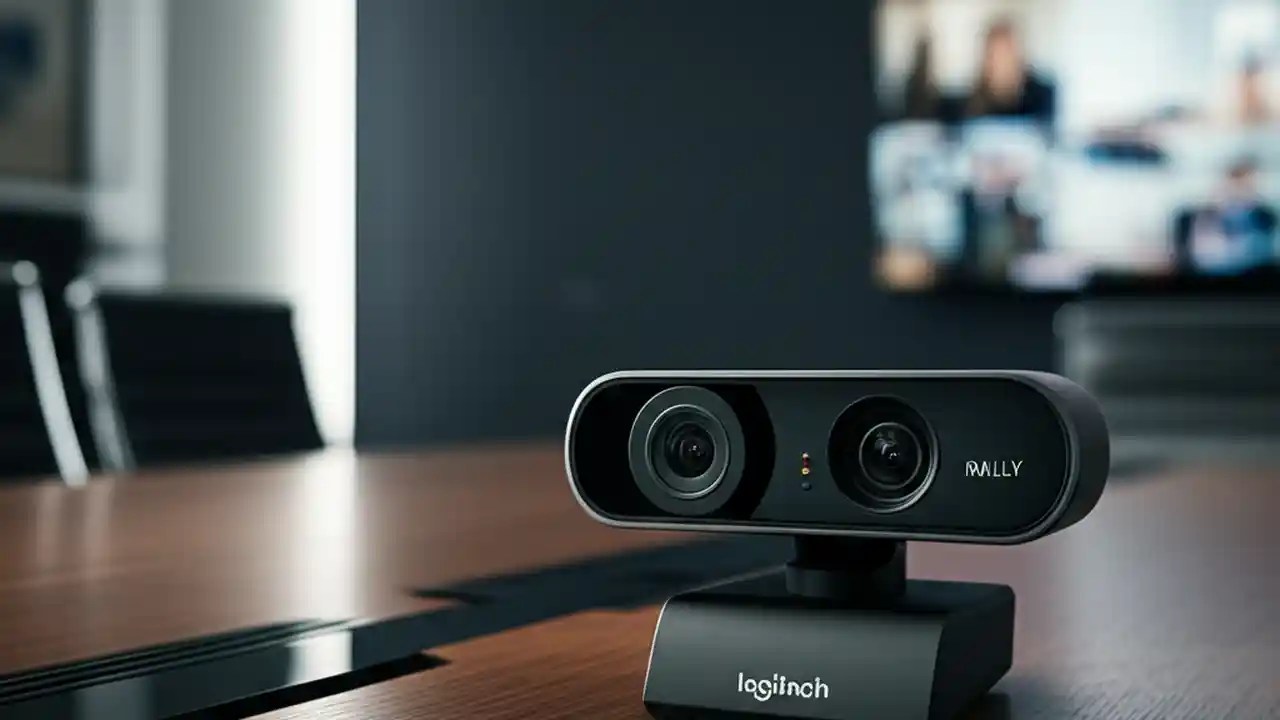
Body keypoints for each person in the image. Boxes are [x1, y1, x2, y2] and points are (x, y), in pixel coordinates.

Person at [1174, 159, 1278, 275]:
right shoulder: (1194, 218)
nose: (1240, 194)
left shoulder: (1264, 218)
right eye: (1238, 186)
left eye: (1248, 188)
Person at [964, 20, 1055, 128]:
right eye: (997, 54)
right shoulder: (972, 99)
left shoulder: (1042, 95)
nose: (1003, 61)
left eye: (1007, 53)